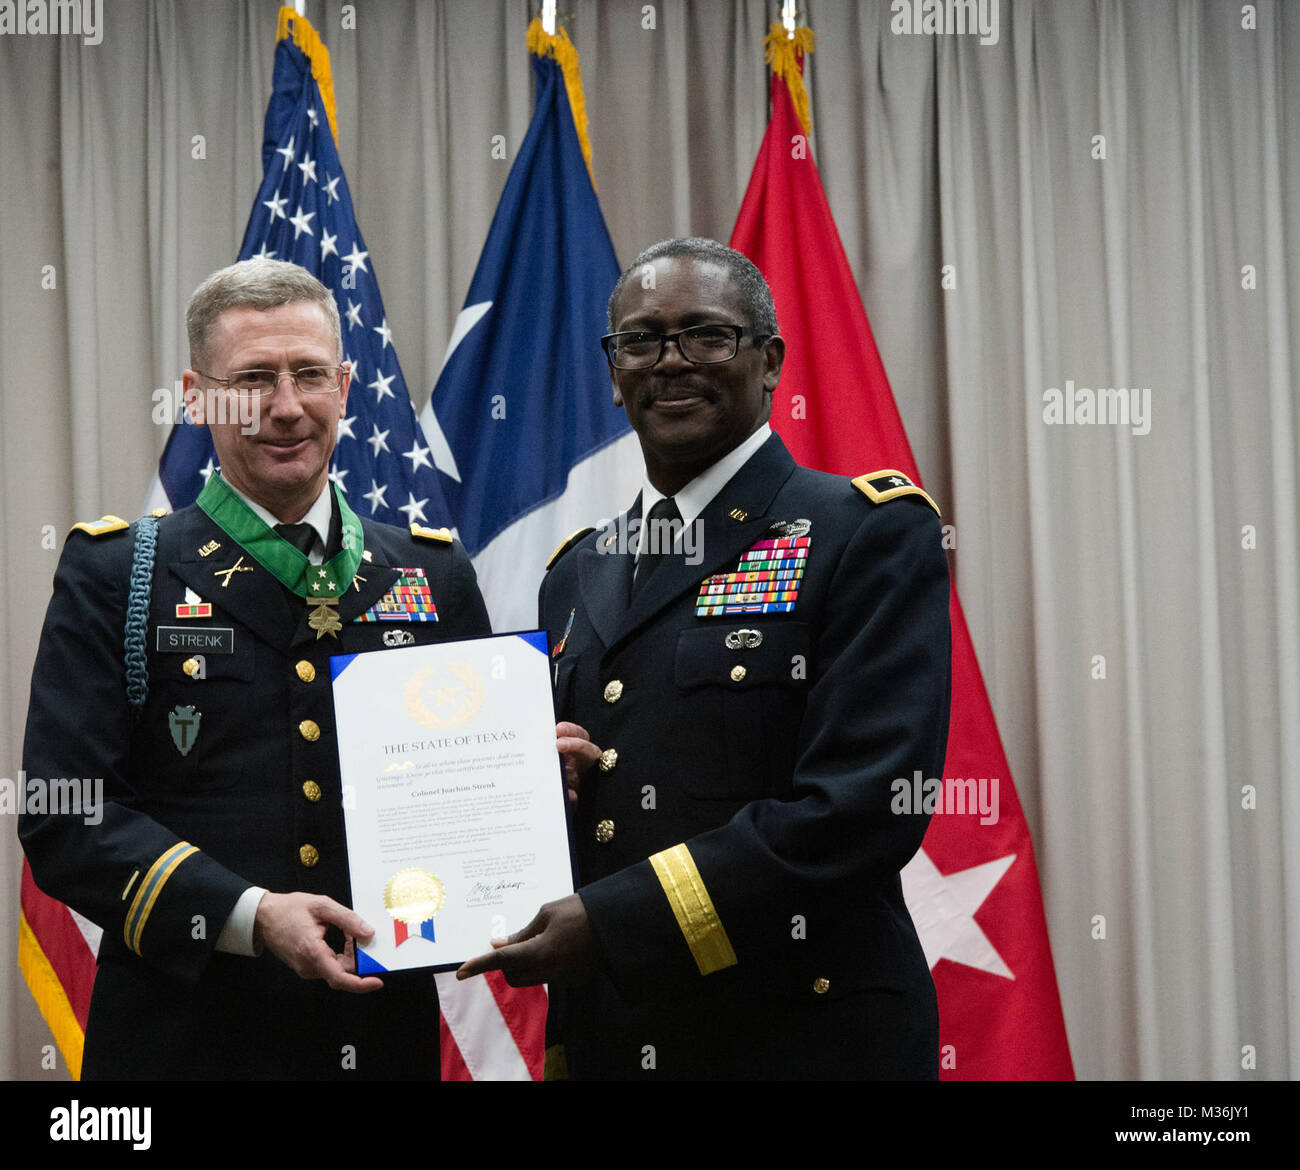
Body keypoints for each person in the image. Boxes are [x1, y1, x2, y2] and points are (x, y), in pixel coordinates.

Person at [458, 238, 952, 1079]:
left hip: (802, 1036)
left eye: (707, 336)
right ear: (613, 374)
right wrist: (528, 791)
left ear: (770, 361)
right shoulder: (575, 572)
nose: (672, 363)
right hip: (616, 1036)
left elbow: (863, 810)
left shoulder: (861, 532)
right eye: (643, 341)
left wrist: (616, 921)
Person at [20, 258, 500, 1079]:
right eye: (252, 380)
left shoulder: (432, 577)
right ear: (197, 395)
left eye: (309, 374)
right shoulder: (120, 574)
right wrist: (248, 915)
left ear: (345, 387)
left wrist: (525, 773)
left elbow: (469, 801)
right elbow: (65, 816)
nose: (286, 407)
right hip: (182, 1041)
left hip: (381, 1040)